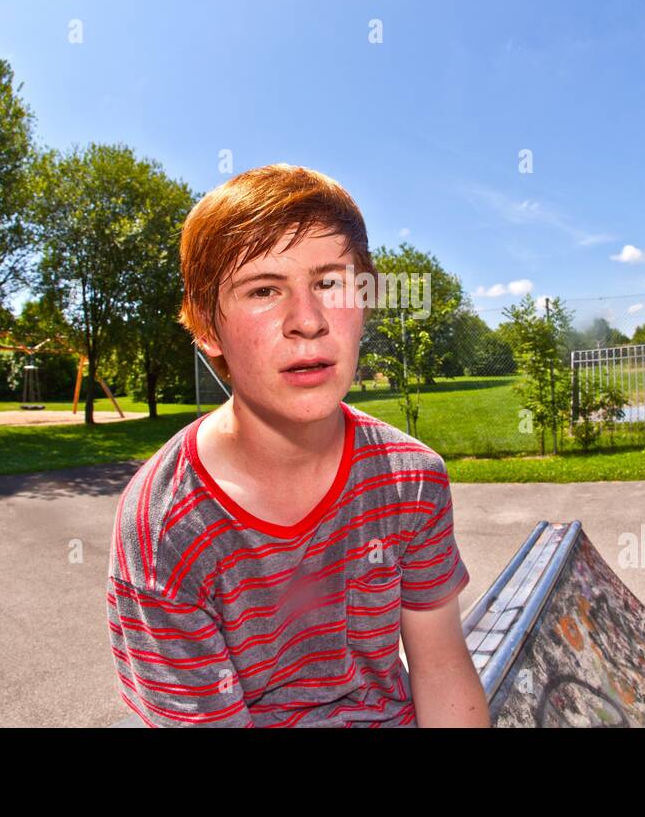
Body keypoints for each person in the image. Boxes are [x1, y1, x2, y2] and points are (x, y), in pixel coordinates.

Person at [107, 163, 489, 727]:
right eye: (264, 289)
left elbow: (439, 664)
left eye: (330, 283)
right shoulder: (166, 531)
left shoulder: (412, 478)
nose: (307, 321)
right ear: (207, 327)